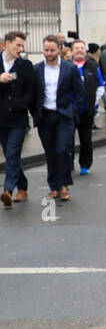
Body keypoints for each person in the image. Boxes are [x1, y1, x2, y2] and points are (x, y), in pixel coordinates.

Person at [33, 35, 83, 202]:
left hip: (64, 115)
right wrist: (35, 113)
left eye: (52, 50)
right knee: (50, 153)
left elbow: (80, 92)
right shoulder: (37, 69)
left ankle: (64, 185)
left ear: (59, 49)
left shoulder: (70, 69)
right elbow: (33, 94)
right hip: (45, 116)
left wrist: (73, 111)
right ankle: (53, 187)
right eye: (46, 50)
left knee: (62, 150)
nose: (48, 53)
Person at [1, 31, 36, 207]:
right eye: (18, 45)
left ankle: (8, 190)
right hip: (1, 119)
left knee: (13, 153)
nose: (21, 49)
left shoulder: (25, 65)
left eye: (22, 46)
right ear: (7, 43)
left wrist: (22, 104)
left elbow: (32, 91)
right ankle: (23, 187)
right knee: (10, 155)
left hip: (18, 119)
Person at [69, 40, 101, 175]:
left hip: (86, 111)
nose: (79, 50)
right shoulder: (66, 66)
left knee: (86, 139)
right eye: (76, 48)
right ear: (72, 51)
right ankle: (68, 166)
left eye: (82, 48)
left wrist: (93, 102)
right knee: (67, 140)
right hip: (69, 111)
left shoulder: (93, 66)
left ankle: (85, 165)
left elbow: (101, 86)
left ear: (85, 51)